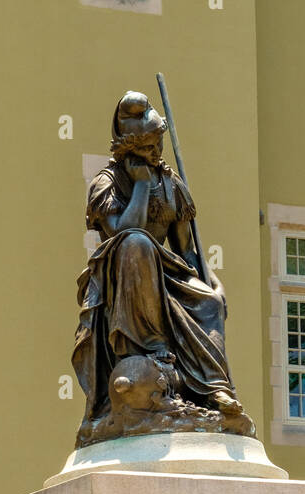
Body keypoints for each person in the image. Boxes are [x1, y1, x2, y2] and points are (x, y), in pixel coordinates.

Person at [72, 91, 252, 445]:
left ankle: (215, 389)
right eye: (150, 144)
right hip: (121, 275)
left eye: (159, 143)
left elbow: (187, 250)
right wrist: (140, 186)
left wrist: (213, 282)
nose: (157, 152)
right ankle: (152, 349)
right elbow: (122, 232)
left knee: (210, 301)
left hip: (168, 273)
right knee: (137, 244)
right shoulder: (107, 183)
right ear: (130, 145)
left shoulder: (171, 184)